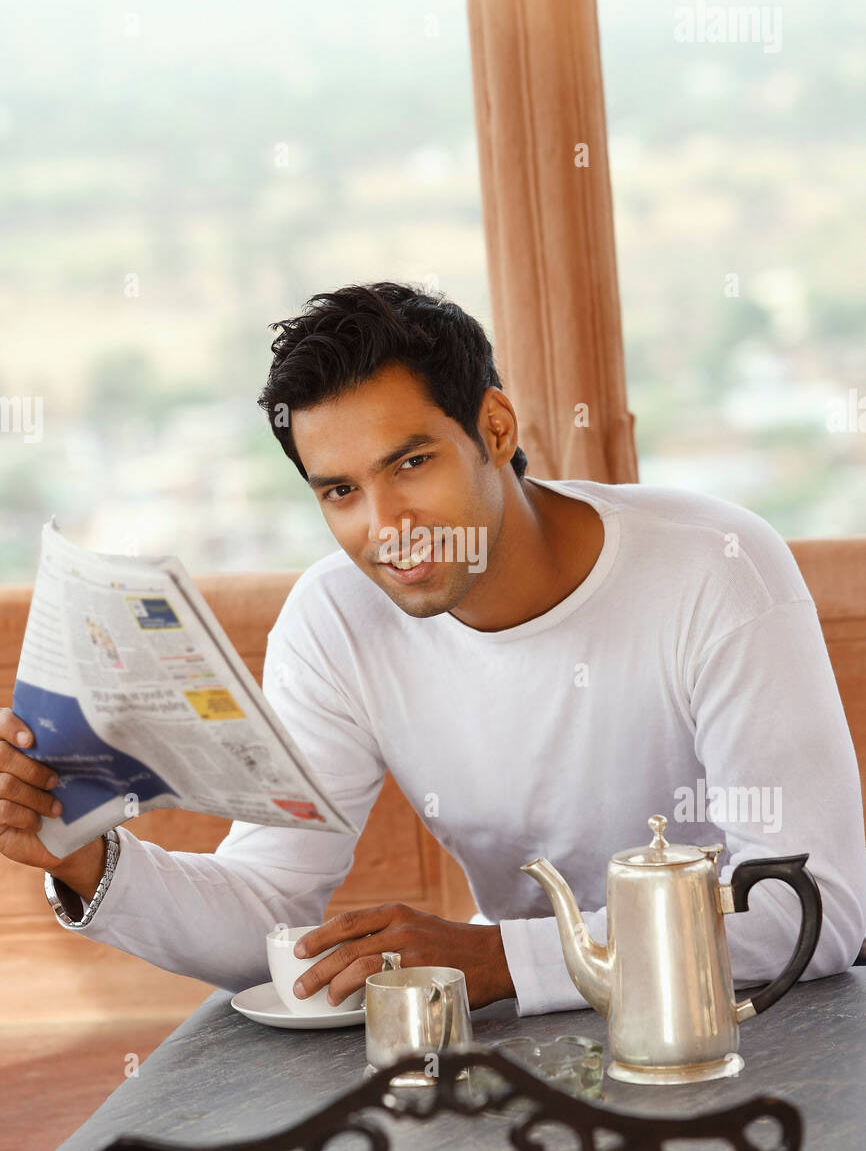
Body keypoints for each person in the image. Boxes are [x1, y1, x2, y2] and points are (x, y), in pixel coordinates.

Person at [3, 281, 865, 1015]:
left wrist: (498, 960)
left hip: (769, 1028)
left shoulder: (715, 567)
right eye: (341, 490)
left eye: (411, 463)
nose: (385, 528)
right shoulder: (336, 621)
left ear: (493, 427)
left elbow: (812, 908)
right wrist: (85, 859)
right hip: (542, 1044)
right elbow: (266, 904)